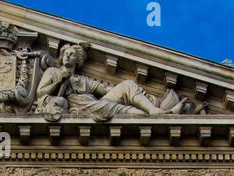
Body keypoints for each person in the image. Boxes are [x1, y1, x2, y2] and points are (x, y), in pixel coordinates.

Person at [35, 43, 192, 120]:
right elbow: (40, 92)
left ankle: (154, 110)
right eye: (66, 54)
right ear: (61, 58)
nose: (68, 56)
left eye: (71, 54)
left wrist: (137, 94)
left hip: (95, 103)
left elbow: (106, 89)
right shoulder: (53, 72)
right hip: (83, 107)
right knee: (131, 113)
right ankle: (165, 114)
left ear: (78, 60)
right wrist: (58, 83)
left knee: (128, 85)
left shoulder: (84, 80)